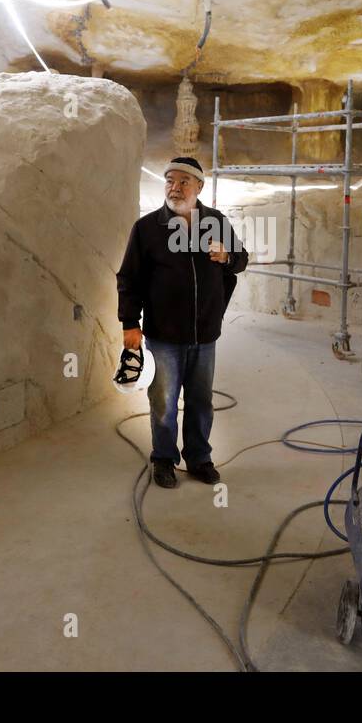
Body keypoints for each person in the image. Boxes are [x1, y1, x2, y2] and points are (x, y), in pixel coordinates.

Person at [116, 156, 248, 488]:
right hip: (164, 334)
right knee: (163, 402)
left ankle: (199, 458)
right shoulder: (147, 229)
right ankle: (163, 458)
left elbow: (241, 260)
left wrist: (227, 257)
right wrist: (129, 324)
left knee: (201, 401)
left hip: (204, 334)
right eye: (170, 181)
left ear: (199, 187)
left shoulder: (216, 222)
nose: (175, 187)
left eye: (183, 181)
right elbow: (128, 279)